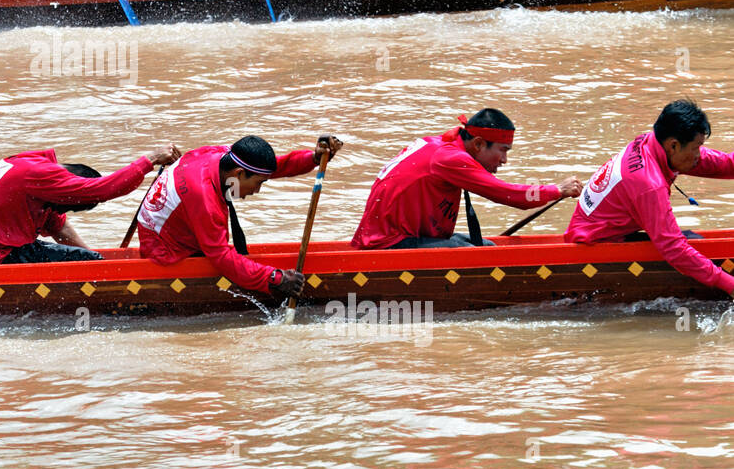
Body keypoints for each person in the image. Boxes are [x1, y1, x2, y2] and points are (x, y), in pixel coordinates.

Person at [137, 134, 338, 297]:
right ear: (239, 174)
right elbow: (221, 257)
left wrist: (312, 158)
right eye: (258, 184)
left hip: (179, 221)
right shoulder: (204, 199)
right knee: (226, 259)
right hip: (163, 248)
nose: (257, 191)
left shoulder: (224, 155)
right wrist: (275, 279)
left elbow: (273, 167)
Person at [567, 100, 734, 295]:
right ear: (673, 145)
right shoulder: (648, 184)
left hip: (606, 231)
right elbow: (674, 249)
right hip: (596, 247)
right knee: (690, 248)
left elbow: (724, 164)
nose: (699, 154)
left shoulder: (653, 142)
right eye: (696, 147)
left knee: (693, 241)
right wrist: (729, 284)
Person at [351, 110, 581, 249]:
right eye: (502, 150)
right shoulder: (449, 157)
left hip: (389, 236)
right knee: (482, 252)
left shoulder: (441, 144)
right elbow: (508, 195)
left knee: (484, 246)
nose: (504, 160)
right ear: (479, 143)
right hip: (389, 243)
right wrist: (556, 190)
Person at [0, 143, 180, 265]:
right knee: (85, 261)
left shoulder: (26, 167)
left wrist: (99, 262)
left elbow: (60, 229)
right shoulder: (40, 173)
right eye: (67, 206)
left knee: (87, 259)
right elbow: (103, 190)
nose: (62, 211)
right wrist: (150, 159)